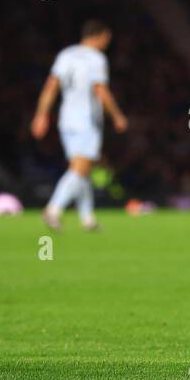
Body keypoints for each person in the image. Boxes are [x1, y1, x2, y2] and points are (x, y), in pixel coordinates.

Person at [31, 19, 128, 231]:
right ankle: (53, 209)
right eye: (107, 39)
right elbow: (100, 90)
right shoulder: (96, 58)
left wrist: (41, 115)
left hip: (66, 119)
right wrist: (117, 116)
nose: (107, 43)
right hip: (87, 120)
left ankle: (87, 218)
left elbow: (50, 86)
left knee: (81, 168)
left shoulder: (66, 55)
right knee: (80, 168)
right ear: (100, 36)